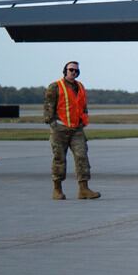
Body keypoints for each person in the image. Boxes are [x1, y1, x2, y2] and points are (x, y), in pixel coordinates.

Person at [44, 61, 98, 200]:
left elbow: (83, 106)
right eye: (71, 70)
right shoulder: (55, 86)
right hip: (60, 129)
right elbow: (48, 106)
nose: (73, 72)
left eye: (76, 71)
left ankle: (84, 189)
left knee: (82, 156)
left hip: (77, 129)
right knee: (59, 159)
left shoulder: (80, 86)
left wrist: (83, 120)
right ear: (65, 71)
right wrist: (52, 124)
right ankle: (57, 190)